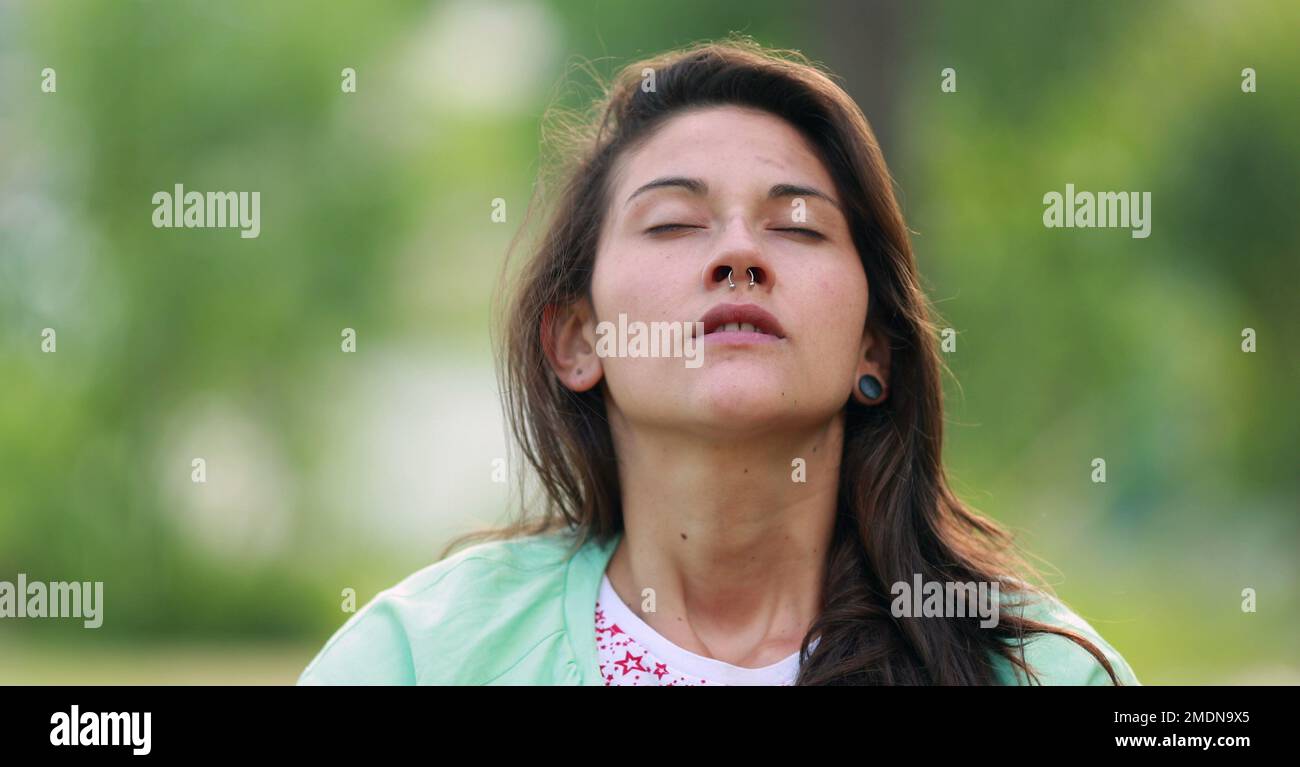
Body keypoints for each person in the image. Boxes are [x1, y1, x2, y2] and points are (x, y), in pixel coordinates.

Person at [298, 36, 1140, 686]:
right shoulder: (418, 659)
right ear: (577, 340)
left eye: (797, 226)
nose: (739, 252)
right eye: (673, 223)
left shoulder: (1035, 669)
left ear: (871, 349)